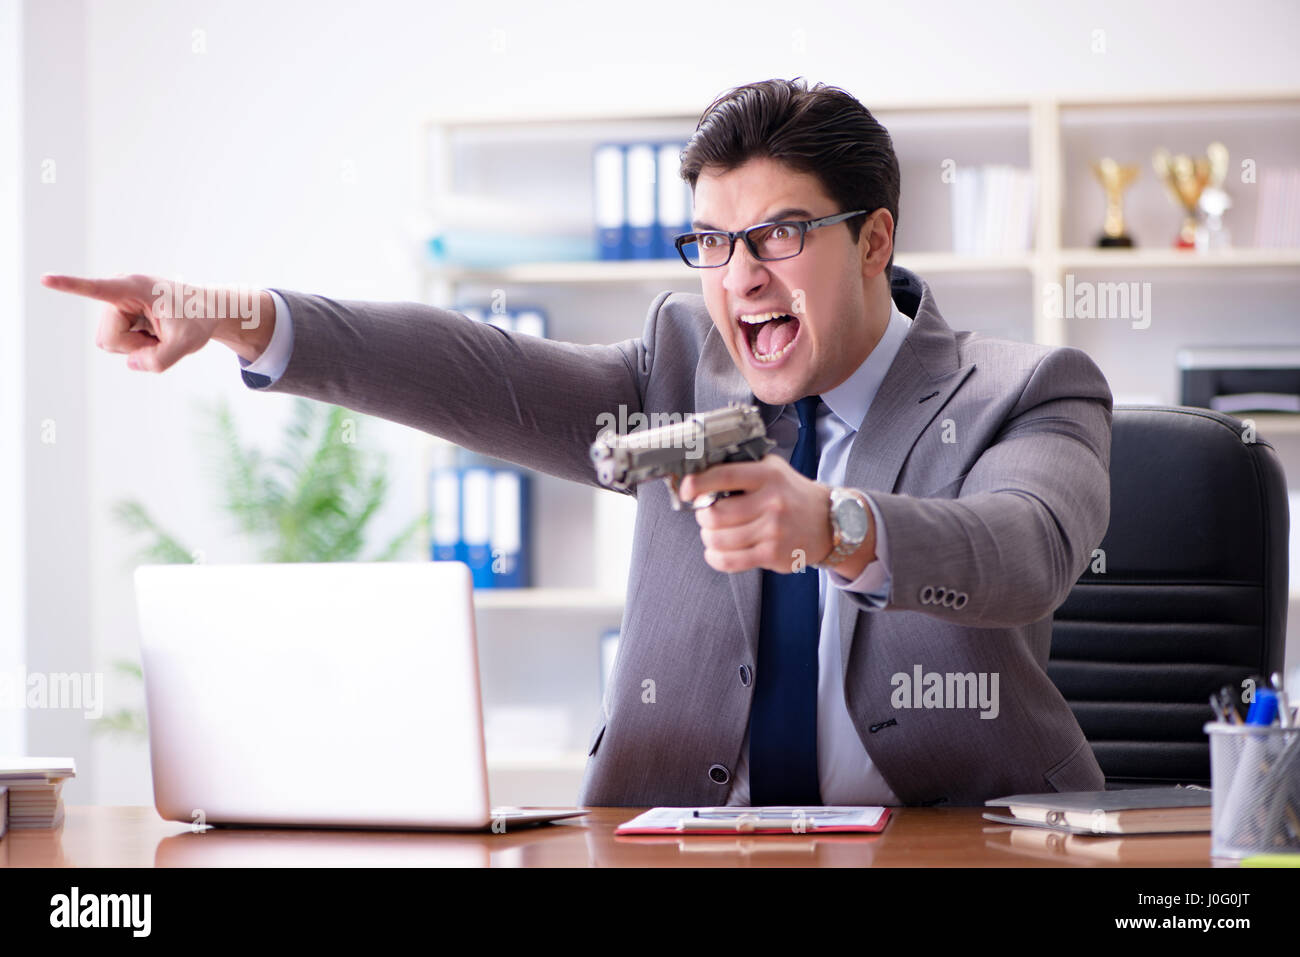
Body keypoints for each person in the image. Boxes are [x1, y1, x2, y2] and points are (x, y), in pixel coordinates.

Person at [44, 78, 1111, 807]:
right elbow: (480, 372)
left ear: (874, 239)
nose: (740, 276)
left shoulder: (1025, 389)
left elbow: (1021, 552)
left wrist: (832, 524)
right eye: (712, 242)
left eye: (779, 235)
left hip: (956, 845)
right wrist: (247, 315)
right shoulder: (677, 364)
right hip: (676, 850)